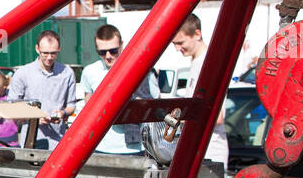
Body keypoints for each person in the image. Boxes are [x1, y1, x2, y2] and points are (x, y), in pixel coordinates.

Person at [76, 24, 158, 155]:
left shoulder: (141, 69)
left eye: (113, 51)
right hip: (101, 146)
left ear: (122, 45)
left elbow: (156, 105)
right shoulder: (89, 72)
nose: (108, 56)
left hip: (136, 147)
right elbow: (88, 109)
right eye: (102, 52)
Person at [170, 14, 229, 168]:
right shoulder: (198, 63)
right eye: (174, 44)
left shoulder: (208, 64)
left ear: (197, 34)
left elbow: (217, 116)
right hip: (200, 149)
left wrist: (180, 117)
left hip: (210, 151)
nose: (177, 49)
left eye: (180, 43)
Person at [7, 30, 76, 150]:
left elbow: (71, 105)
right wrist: (35, 118)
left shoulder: (67, 73)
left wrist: (62, 113)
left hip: (58, 141)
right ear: (37, 49)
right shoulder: (23, 73)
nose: (49, 57)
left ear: (59, 49)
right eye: (45, 53)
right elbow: (11, 108)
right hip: (30, 142)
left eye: (53, 53)